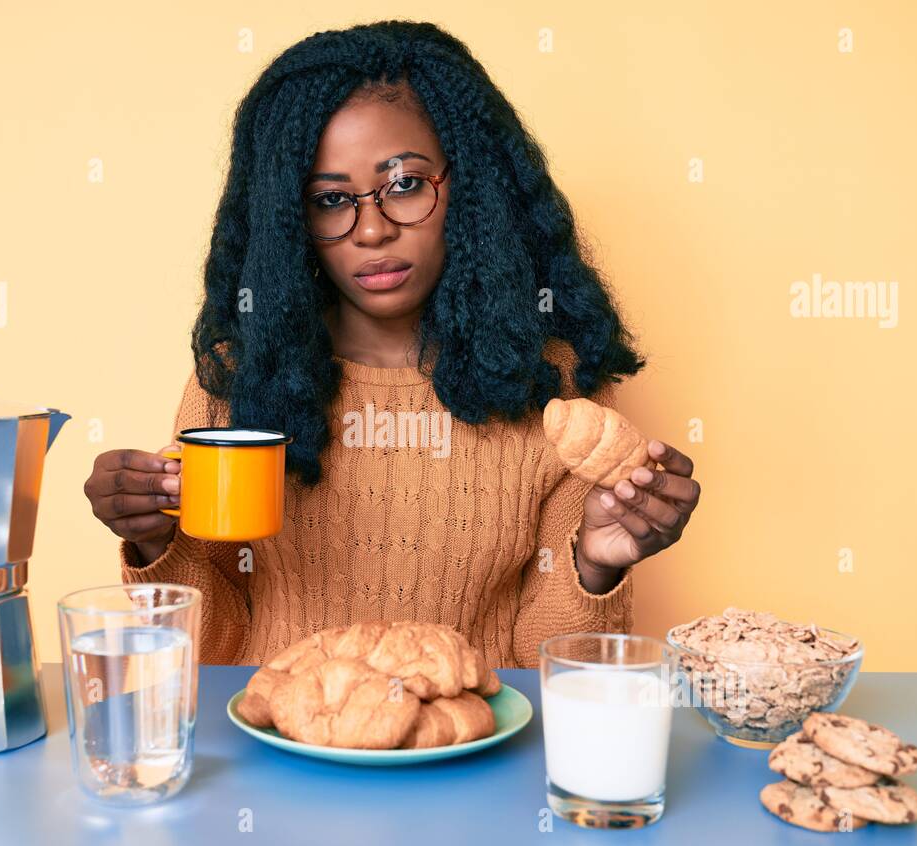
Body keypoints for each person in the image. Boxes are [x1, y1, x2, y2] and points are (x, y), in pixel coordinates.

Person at [82, 20, 701, 667]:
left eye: (404, 184)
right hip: (280, 745)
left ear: (468, 184)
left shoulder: (552, 387)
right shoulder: (241, 379)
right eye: (330, 199)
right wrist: (155, 545)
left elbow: (545, 678)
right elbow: (213, 655)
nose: (372, 229)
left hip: (469, 746)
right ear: (291, 218)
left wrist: (594, 562)